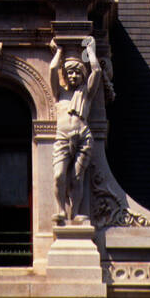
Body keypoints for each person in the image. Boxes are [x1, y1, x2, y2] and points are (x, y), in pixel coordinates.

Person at [49, 38, 101, 224]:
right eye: (70, 73)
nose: (73, 76)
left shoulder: (85, 93)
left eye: (77, 73)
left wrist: (90, 50)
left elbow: (96, 70)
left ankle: (75, 213)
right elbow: (52, 69)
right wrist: (59, 51)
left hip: (84, 138)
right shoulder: (59, 94)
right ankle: (61, 210)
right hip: (62, 139)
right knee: (58, 176)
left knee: (77, 179)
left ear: (82, 76)